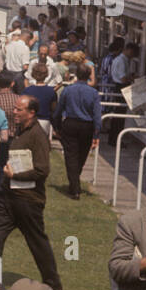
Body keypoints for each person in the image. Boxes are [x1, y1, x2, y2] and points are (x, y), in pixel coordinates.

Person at [0, 94, 63, 290]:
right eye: (14, 109)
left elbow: (42, 170)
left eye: (18, 109)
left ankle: (53, 284)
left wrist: (16, 175)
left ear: (31, 113)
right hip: (8, 197)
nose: (14, 112)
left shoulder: (38, 136)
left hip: (27, 200)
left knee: (37, 241)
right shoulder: (20, 131)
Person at [52, 62, 101, 199]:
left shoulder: (68, 90)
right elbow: (97, 115)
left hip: (71, 123)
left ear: (77, 75)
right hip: (87, 125)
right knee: (80, 155)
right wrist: (96, 134)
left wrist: (56, 126)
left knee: (71, 156)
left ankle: (74, 185)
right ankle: (75, 185)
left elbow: (58, 110)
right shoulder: (93, 93)